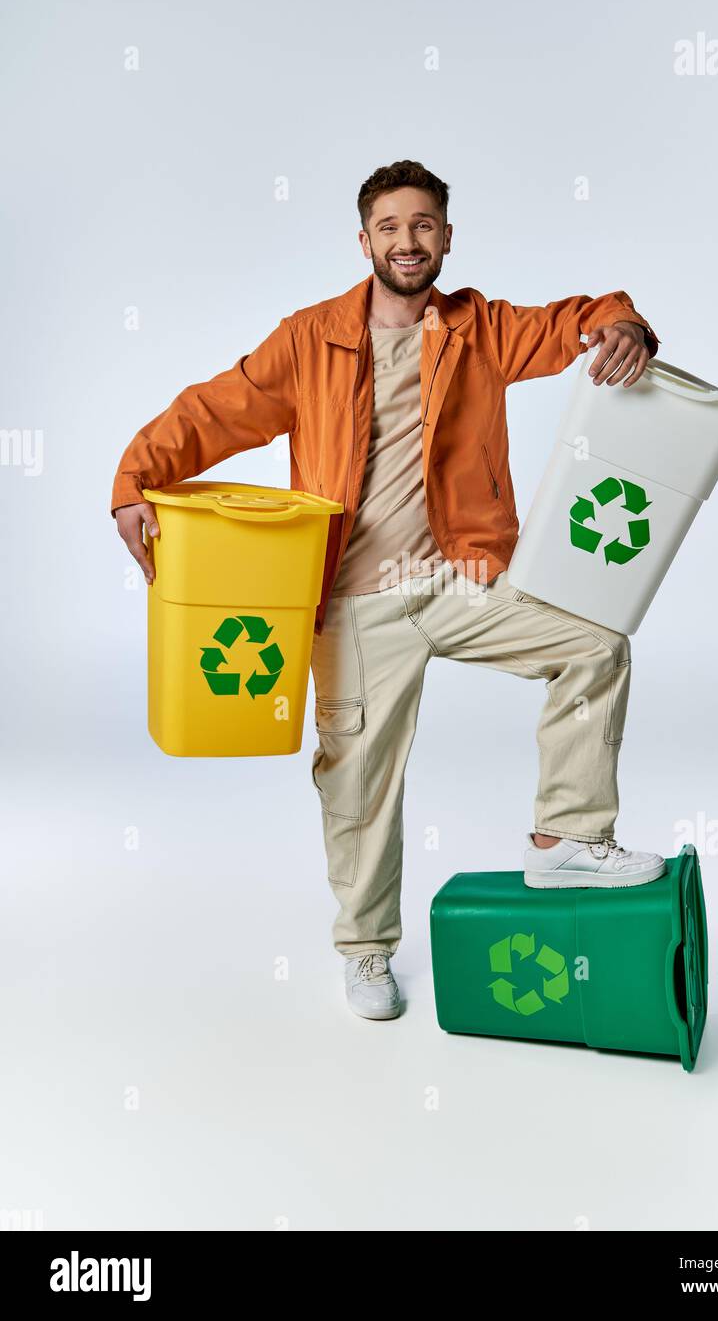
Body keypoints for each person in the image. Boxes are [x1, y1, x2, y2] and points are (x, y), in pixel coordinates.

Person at [112, 159, 666, 1023]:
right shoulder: (312, 337)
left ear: (446, 236)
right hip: (355, 604)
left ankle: (567, 837)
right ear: (365, 239)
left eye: (424, 225)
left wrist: (625, 327)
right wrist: (133, 482)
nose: (408, 241)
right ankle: (367, 953)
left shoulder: (479, 328)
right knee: (359, 783)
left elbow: (578, 319)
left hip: (461, 577)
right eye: (391, 227)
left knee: (596, 644)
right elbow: (215, 410)